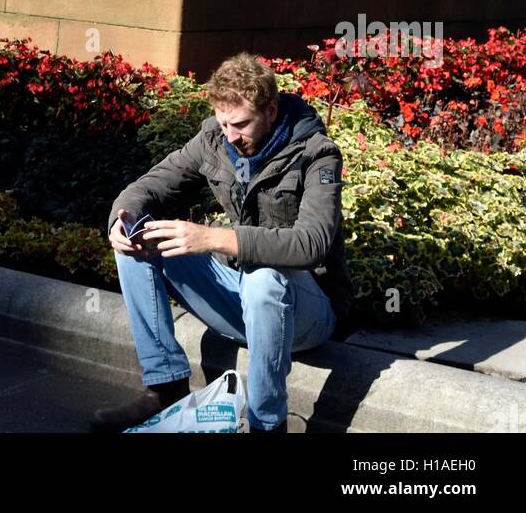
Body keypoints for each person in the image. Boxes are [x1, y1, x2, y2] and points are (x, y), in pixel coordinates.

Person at [91, 54, 354, 434]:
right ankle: (166, 389)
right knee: (139, 238)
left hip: (307, 313)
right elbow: (149, 185)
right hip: (244, 300)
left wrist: (210, 238)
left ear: (271, 110)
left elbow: (309, 244)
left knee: (265, 279)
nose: (231, 135)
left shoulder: (316, 154)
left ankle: (267, 425)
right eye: (224, 122)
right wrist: (122, 217)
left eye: (242, 124)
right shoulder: (216, 140)